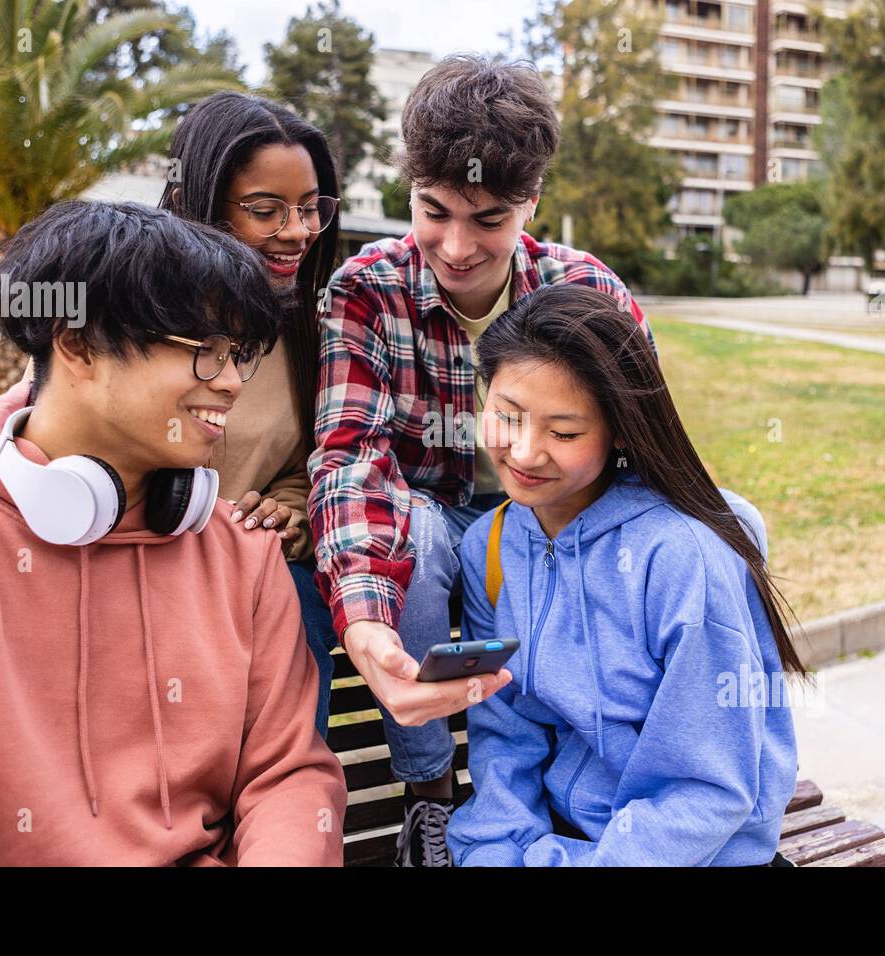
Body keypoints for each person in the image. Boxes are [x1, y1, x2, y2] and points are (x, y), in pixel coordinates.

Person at [303, 54, 765, 865]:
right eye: (432, 211)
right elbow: (351, 462)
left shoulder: (584, 288)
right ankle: (430, 799)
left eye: (487, 220)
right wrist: (370, 623)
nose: (454, 245)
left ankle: (638, 772)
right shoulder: (364, 289)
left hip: (566, 522)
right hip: (434, 530)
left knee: (728, 523)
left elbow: (646, 454)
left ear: (532, 203)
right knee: (428, 534)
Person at [0, 201, 346, 866]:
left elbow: (290, 777)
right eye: (205, 353)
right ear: (77, 344)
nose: (234, 383)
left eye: (241, 354)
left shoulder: (239, 550)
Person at [446, 284, 808, 866]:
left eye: (564, 433)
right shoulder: (491, 545)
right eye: (507, 417)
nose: (525, 451)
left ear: (620, 432)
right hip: (568, 839)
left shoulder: (682, 557)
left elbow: (707, 792)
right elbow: (505, 735)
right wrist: (495, 851)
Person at [158, 91, 343, 738]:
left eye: (310, 208)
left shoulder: (306, 330)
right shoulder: (125, 321)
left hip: (261, 582)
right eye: (265, 210)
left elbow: (300, 463)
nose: (296, 230)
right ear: (194, 205)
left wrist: (290, 511)